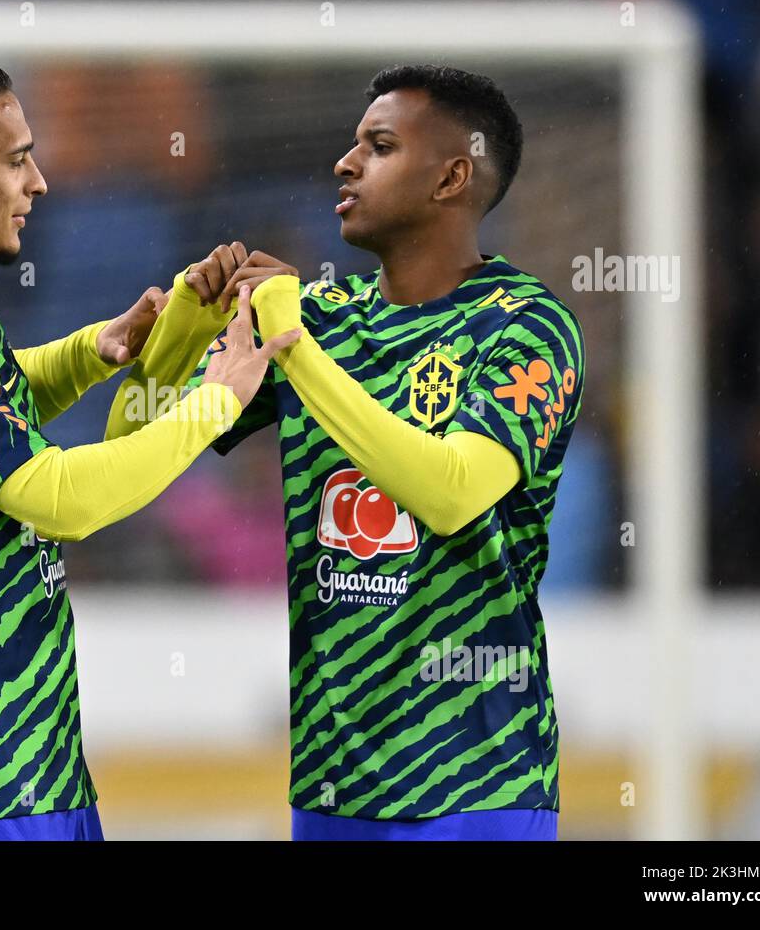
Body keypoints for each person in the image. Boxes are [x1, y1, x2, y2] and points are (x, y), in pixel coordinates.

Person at [0, 50, 297, 840]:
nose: (38, 181)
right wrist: (217, 402)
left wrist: (90, 352)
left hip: (26, 771)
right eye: (15, 159)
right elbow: (60, 499)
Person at [109, 65, 585, 841]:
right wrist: (181, 339)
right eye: (353, 143)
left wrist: (294, 353)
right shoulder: (321, 319)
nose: (345, 162)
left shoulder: (527, 328)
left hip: (476, 785)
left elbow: (455, 490)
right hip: (331, 790)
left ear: (451, 176)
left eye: (381, 145)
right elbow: (128, 458)